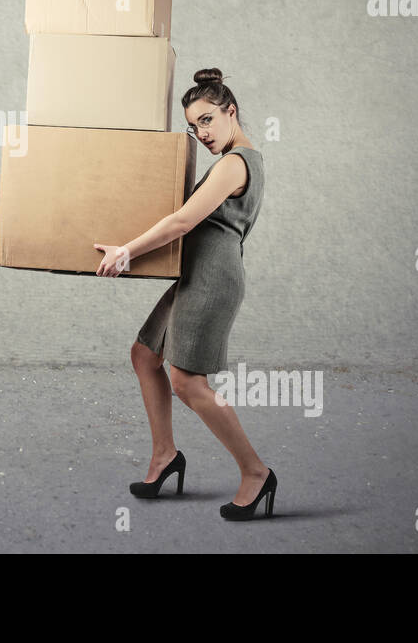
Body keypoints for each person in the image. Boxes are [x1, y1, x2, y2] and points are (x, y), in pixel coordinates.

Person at [93, 67, 276, 520]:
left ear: (230, 111)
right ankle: (165, 456)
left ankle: (256, 472)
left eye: (208, 120)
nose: (202, 133)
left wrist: (126, 252)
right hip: (194, 275)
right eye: (194, 127)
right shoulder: (231, 161)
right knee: (143, 354)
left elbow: (181, 222)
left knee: (187, 382)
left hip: (213, 281)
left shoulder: (236, 164)